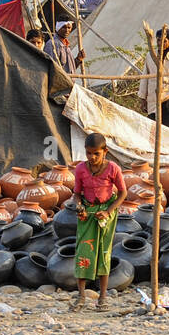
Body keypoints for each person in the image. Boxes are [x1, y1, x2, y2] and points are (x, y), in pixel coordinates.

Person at [71, 132, 126, 312]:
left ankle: (102, 297)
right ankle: (81, 296)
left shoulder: (113, 169)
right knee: (83, 252)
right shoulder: (80, 169)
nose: (92, 157)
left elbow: (123, 193)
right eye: (88, 153)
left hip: (106, 214)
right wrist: (79, 207)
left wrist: (108, 211)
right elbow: (77, 194)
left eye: (96, 153)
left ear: (105, 152)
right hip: (86, 214)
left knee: (104, 252)